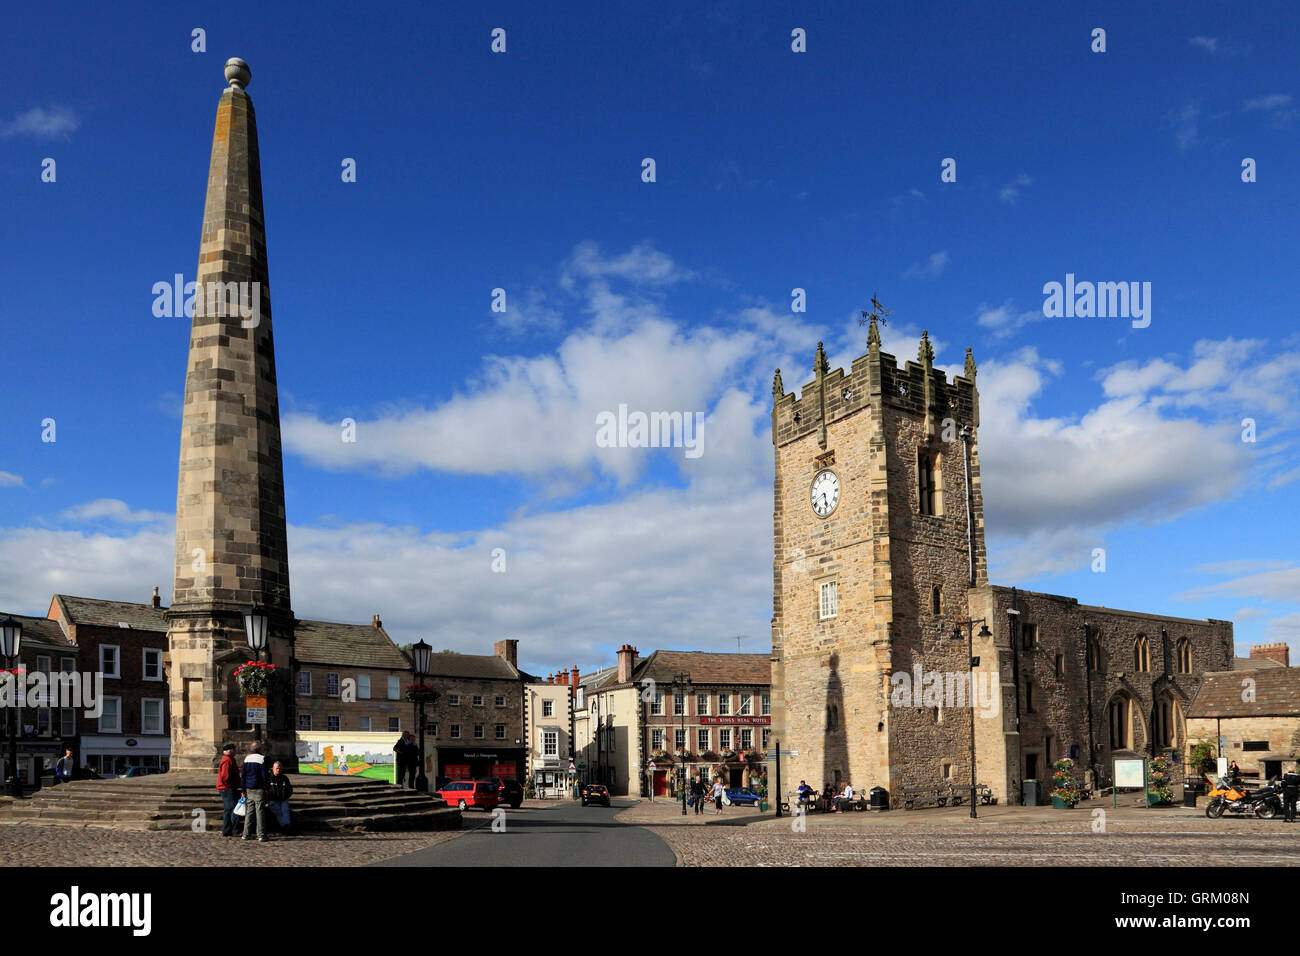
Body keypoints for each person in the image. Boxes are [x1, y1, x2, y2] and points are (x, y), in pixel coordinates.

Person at [241, 742, 269, 842]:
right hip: (259, 788)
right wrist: (267, 788)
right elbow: (264, 775)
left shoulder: (247, 759)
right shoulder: (262, 759)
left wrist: (243, 789)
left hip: (249, 788)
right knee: (260, 812)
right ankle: (261, 834)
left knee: (249, 812)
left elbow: (243, 776)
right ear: (260, 749)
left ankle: (246, 834)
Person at [216, 743, 242, 837]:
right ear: (230, 751)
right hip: (227, 788)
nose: (235, 751)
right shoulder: (227, 760)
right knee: (234, 808)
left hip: (227, 787)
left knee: (228, 809)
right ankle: (234, 830)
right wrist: (231, 785)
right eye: (234, 750)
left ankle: (227, 830)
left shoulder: (230, 759)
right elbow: (225, 776)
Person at [266, 760, 294, 834]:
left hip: (283, 800)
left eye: (280, 769)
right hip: (272, 800)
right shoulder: (268, 778)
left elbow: (290, 789)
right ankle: (285, 825)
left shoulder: (284, 778)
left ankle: (286, 826)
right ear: (273, 768)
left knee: (285, 811)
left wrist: (286, 796)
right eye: (277, 768)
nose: (278, 770)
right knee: (278, 811)